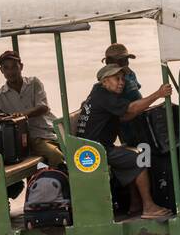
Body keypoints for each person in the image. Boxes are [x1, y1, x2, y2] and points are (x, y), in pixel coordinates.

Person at [74, 63, 172, 219]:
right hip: (95, 151)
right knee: (139, 159)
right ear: (105, 81)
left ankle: (135, 204)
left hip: (97, 147)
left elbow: (125, 116)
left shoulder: (100, 94)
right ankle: (148, 207)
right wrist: (158, 94)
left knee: (137, 151)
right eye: (116, 78)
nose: (121, 82)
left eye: (122, 79)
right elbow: (131, 109)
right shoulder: (103, 96)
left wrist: (140, 108)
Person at [0, 50, 65, 168]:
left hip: (51, 130)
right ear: (2, 71)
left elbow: (43, 107)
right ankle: (57, 182)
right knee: (55, 155)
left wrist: (22, 114)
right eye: (6, 68)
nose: (11, 72)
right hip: (31, 138)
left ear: (21, 67)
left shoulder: (34, 83)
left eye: (14, 67)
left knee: (77, 148)